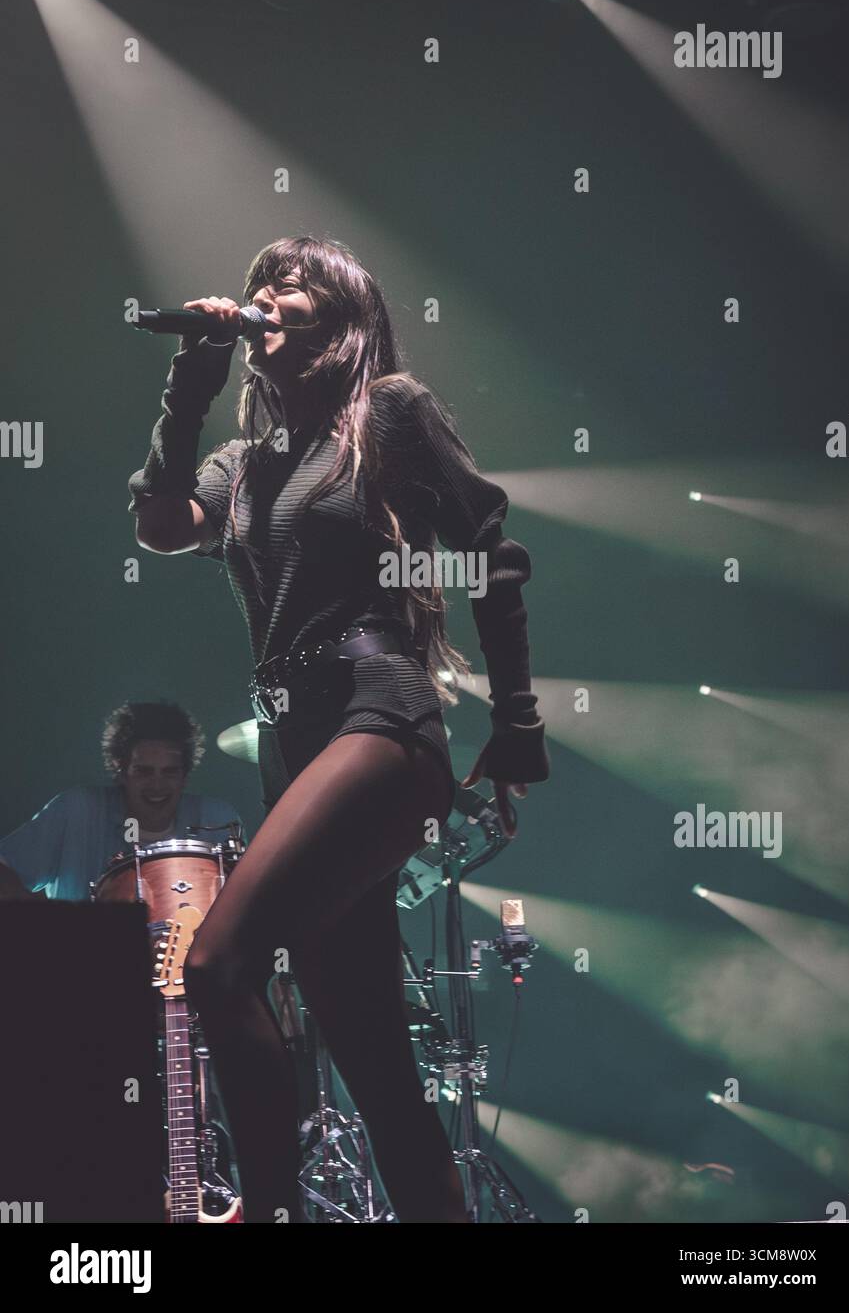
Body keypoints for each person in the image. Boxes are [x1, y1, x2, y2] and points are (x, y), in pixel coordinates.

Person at [128, 235, 550, 1224]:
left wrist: (520, 722)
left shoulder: (388, 413)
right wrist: (189, 380)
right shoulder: (240, 463)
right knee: (376, 1068)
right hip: (293, 737)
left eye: (292, 284)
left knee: (216, 966)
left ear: (345, 317)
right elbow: (158, 523)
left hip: (378, 717)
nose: (265, 298)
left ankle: (270, 1212)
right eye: (255, 288)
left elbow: (494, 549)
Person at [0, 701, 243, 901]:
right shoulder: (77, 810)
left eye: (169, 772)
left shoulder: (217, 818)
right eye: (143, 771)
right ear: (120, 772)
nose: (157, 785)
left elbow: (248, 905)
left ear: (185, 776)